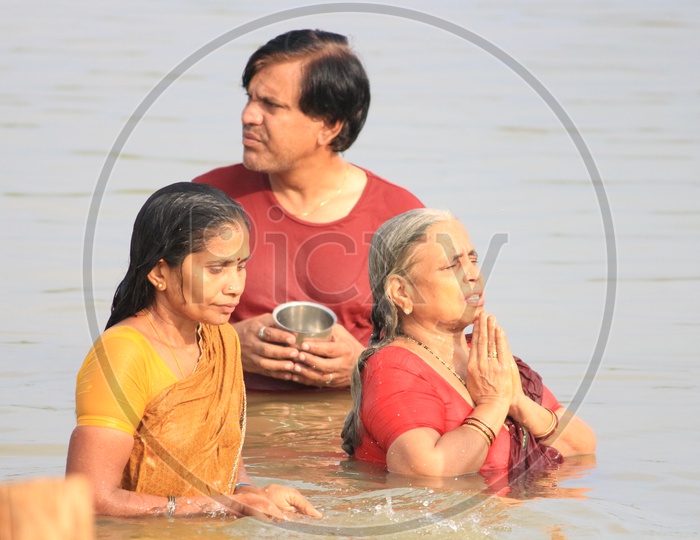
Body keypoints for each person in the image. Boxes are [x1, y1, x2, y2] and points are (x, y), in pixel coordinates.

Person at [66, 183, 321, 519]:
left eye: (240, 266)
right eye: (216, 269)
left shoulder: (222, 340)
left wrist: (251, 494)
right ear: (159, 273)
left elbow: (224, 457)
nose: (235, 286)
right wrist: (216, 505)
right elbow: (89, 499)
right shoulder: (122, 354)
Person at [194, 29, 423, 391]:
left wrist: (365, 362)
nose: (248, 115)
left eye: (271, 105)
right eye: (249, 98)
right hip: (229, 427)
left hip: (347, 431)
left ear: (329, 125)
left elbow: (445, 352)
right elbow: (142, 332)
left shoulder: (400, 217)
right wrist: (226, 345)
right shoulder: (205, 200)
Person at [341, 209, 596, 478]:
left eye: (473, 260)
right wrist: (493, 405)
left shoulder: (486, 356)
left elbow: (582, 448)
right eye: (452, 267)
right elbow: (427, 471)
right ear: (402, 292)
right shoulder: (393, 366)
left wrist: (518, 403)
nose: (474, 275)